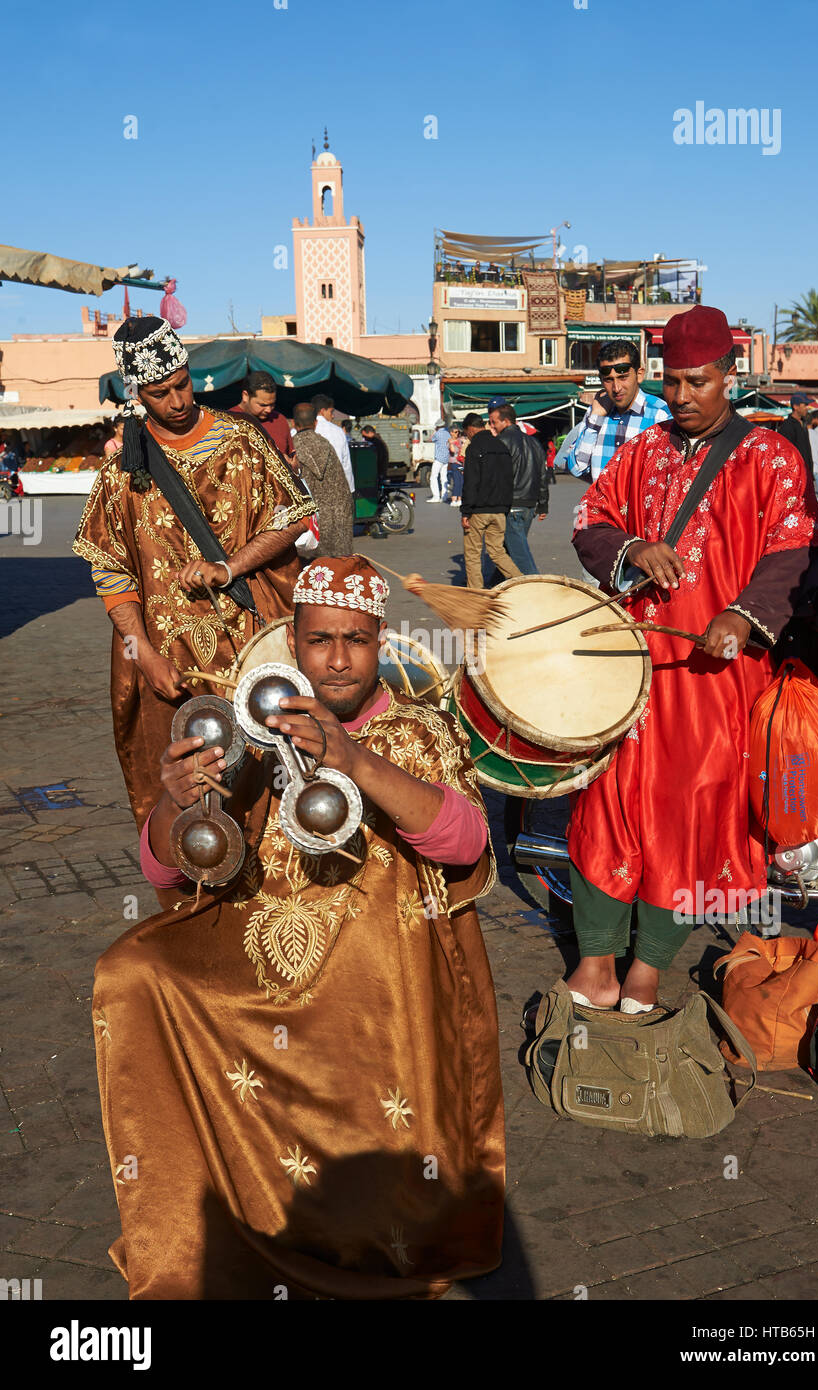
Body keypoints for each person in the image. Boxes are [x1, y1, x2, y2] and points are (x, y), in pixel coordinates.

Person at [92, 554, 505, 1300]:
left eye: (355, 639)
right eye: (319, 641)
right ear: (295, 644)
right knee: (133, 973)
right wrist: (174, 803)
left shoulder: (416, 727)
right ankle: (199, 1213)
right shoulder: (252, 728)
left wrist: (352, 759)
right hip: (260, 952)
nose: (338, 659)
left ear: (381, 641)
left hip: (383, 962)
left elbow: (465, 845)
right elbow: (166, 875)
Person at [561, 305, 818, 1013]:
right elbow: (590, 519)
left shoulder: (772, 458)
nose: (680, 396)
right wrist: (627, 548)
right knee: (603, 802)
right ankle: (594, 964)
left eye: (697, 382)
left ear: (728, 377)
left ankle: (645, 968)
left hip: (717, 678)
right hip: (632, 665)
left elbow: (795, 547)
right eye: (672, 381)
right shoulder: (641, 450)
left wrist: (744, 614)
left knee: (691, 814)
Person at [72, 316, 315, 830]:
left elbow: (291, 519)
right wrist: (144, 657)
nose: (178, 402)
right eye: (161, 394)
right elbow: (110, 571)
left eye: (182, 384)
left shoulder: (242, 440)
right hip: (170, 663)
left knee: (274, 781)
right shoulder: (121, 471)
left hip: (251, 643)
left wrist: (230, 566)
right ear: (138, 394)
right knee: (191, 797)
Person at [566, 341, 671, 483]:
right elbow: (578, 467)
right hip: (602, 505)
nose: (616, 388)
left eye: (623, 377)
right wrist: (595, 419)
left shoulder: (660, 415)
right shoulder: (596, 412)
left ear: (639, 374)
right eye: (608, 380)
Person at [460, 413, 522, 589]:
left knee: (473, 554)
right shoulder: (502, 446)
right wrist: (505, 506)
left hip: (478, 510)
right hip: (500, 509)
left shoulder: (474, 448)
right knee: (497, 552)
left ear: (470, 429)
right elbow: (509, 479)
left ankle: (477, 593)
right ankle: (520, 582)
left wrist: (466, 511)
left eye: (466, 433)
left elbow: (471, 482)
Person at [488, 404, 548, 574]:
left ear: (506, 421)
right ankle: (497, 585)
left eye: (494, 422)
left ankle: (537, 587)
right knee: (509, 548)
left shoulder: (501, 442)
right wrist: (543, 504)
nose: (492, 426)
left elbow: (495, 477)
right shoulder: (534, 442)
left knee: (520, 556)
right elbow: (542, 475)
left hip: (511, 505)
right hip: (529, 504)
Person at [293, 402, 354, 556]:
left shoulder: (292, 449)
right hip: (338, 521)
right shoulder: (327, 444)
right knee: (338, 573)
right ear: (315, 423)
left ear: (294, 423)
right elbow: (344, 478)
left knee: (314, 574)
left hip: (312, 525)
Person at [230, 370, 295, 459]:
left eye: (272, 404)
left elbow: (292, 457)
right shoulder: (228, 421)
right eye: (263, 405)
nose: (268, 410)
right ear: (245, 396)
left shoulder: (280, 420)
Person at [311, 393, 354, 493]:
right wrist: (350, 489)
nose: (333, 416)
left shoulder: (302, 432)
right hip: (337, 488)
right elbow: (346, 464)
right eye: (331, 412)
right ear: (322, 411)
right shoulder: (338, 431)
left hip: (313, 489)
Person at [775, 391, 814, 468]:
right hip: (795, 470)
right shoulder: (787, 426)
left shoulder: (803, 423)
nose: (807, 408)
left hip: (806, 470)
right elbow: (785, 452)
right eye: (805, 405)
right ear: (795, 406)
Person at [429, 418, 450, 503]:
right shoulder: (447, 433)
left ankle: (436, 496)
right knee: (444, 477)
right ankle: (444, 496)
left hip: (439, 458)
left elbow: (430, 439)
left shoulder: (437, 434)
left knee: (433, 477)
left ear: (437, 426)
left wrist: (434, 431)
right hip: (446, 458)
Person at [447, 426, 464, 507]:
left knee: (461, 481)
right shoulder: (449, 441)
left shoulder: (460, 440)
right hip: (454, 463)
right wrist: (452, 443)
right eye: (456, 432)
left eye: (458, 432)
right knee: (457, 481)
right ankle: (454, 499)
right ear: (451, 433)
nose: (457, 434)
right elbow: (452, 451)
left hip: (461, 463)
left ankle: (459, 499)